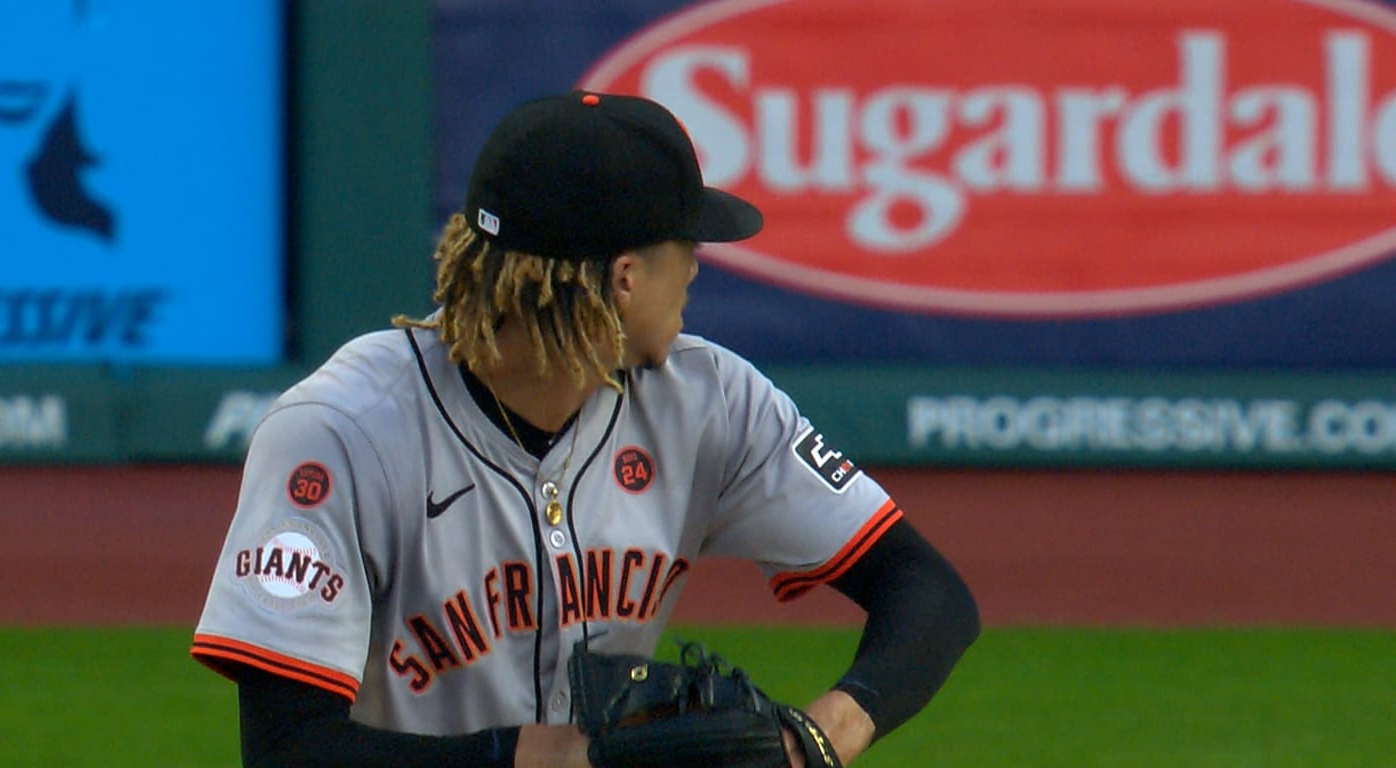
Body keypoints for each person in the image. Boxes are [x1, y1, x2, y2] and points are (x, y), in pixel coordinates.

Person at [191, 90, 980, 768]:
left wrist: (816, 737)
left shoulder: (708, 397)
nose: (699, 267)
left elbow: (929, 591)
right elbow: (287, 749)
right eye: (687, 245)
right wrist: (532, 755)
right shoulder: (340, 432)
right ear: (625, 278)